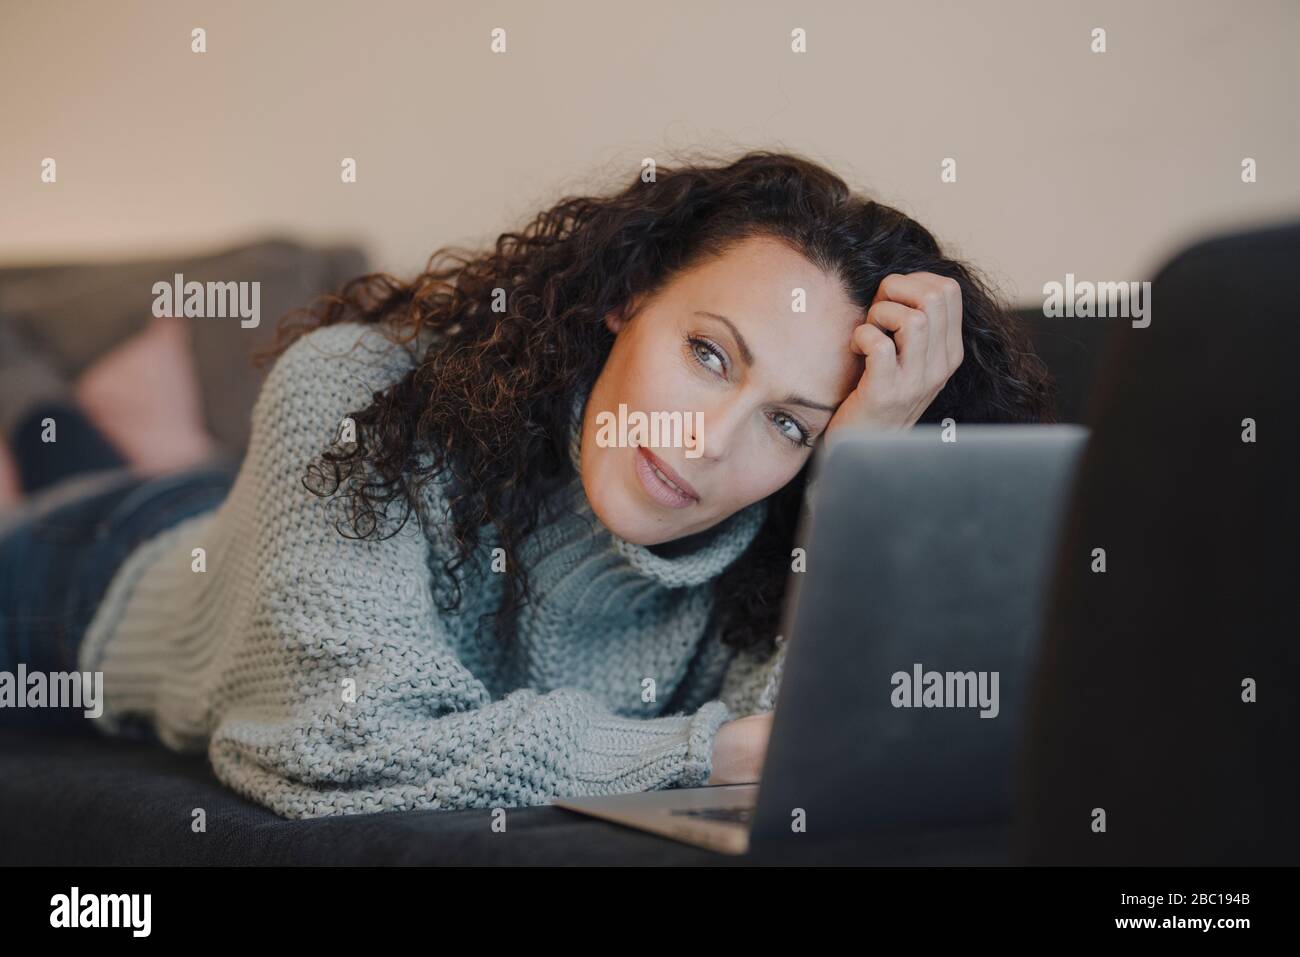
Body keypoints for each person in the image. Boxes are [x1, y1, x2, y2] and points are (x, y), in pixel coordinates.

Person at [0, 150, 1054, 819]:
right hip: (97, 579)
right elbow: (327, 743)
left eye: (788, 421)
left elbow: (801, 756)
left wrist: (855, 470)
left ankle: (135, 427)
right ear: (626, 298)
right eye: (710, 355)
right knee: (66, 478)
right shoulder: (355, 391)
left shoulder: (779, 518)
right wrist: (702, 748)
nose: (705, 444)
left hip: (240, 526)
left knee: (160, 469)